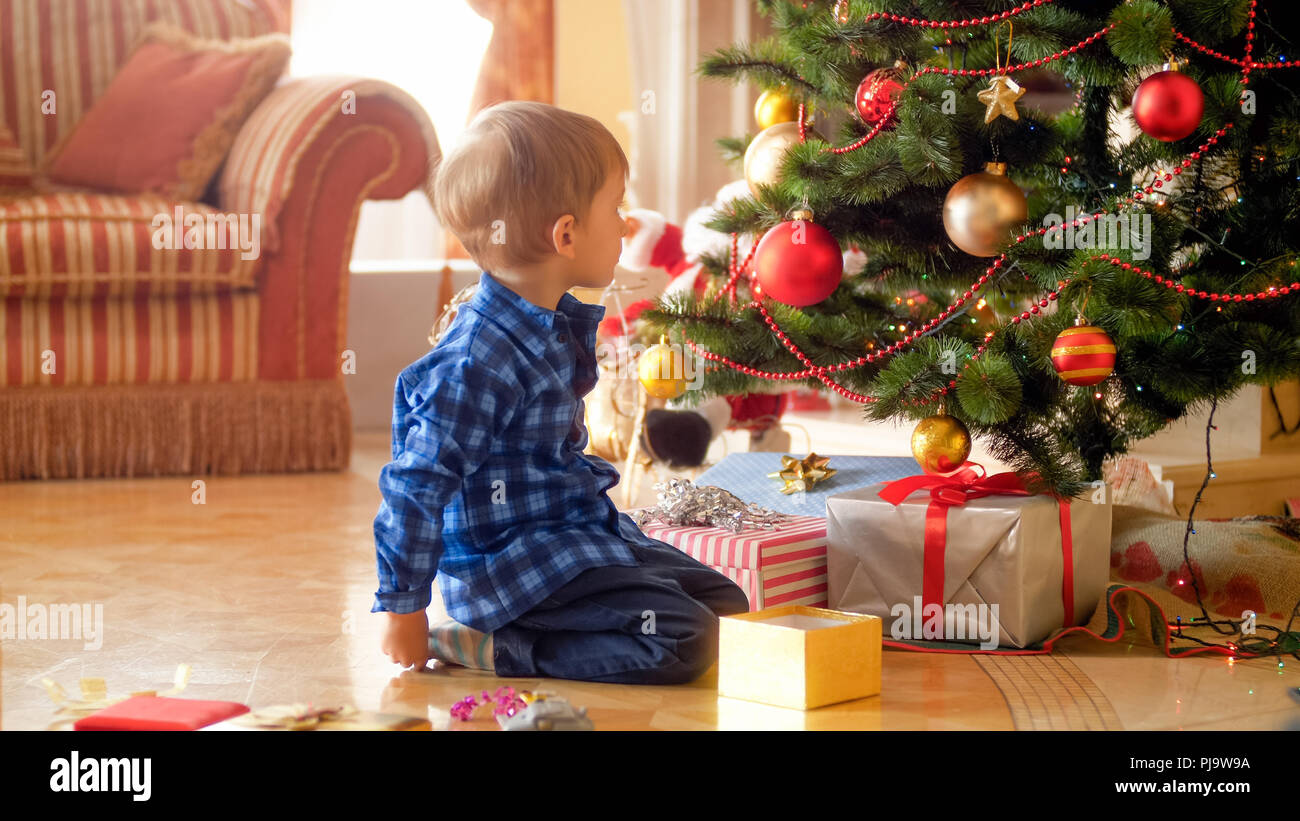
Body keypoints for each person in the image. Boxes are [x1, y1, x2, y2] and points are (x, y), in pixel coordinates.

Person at [373, 101, 750, 684]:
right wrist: (403, 606)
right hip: (511, 569)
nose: (626, 224)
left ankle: (568, 620)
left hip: (572, 535)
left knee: (728, 608)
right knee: (687, 639)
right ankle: (496, 647)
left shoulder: (547, 325)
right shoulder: (476, 362)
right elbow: (414, 484)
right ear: (567, 234)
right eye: (616, 207)